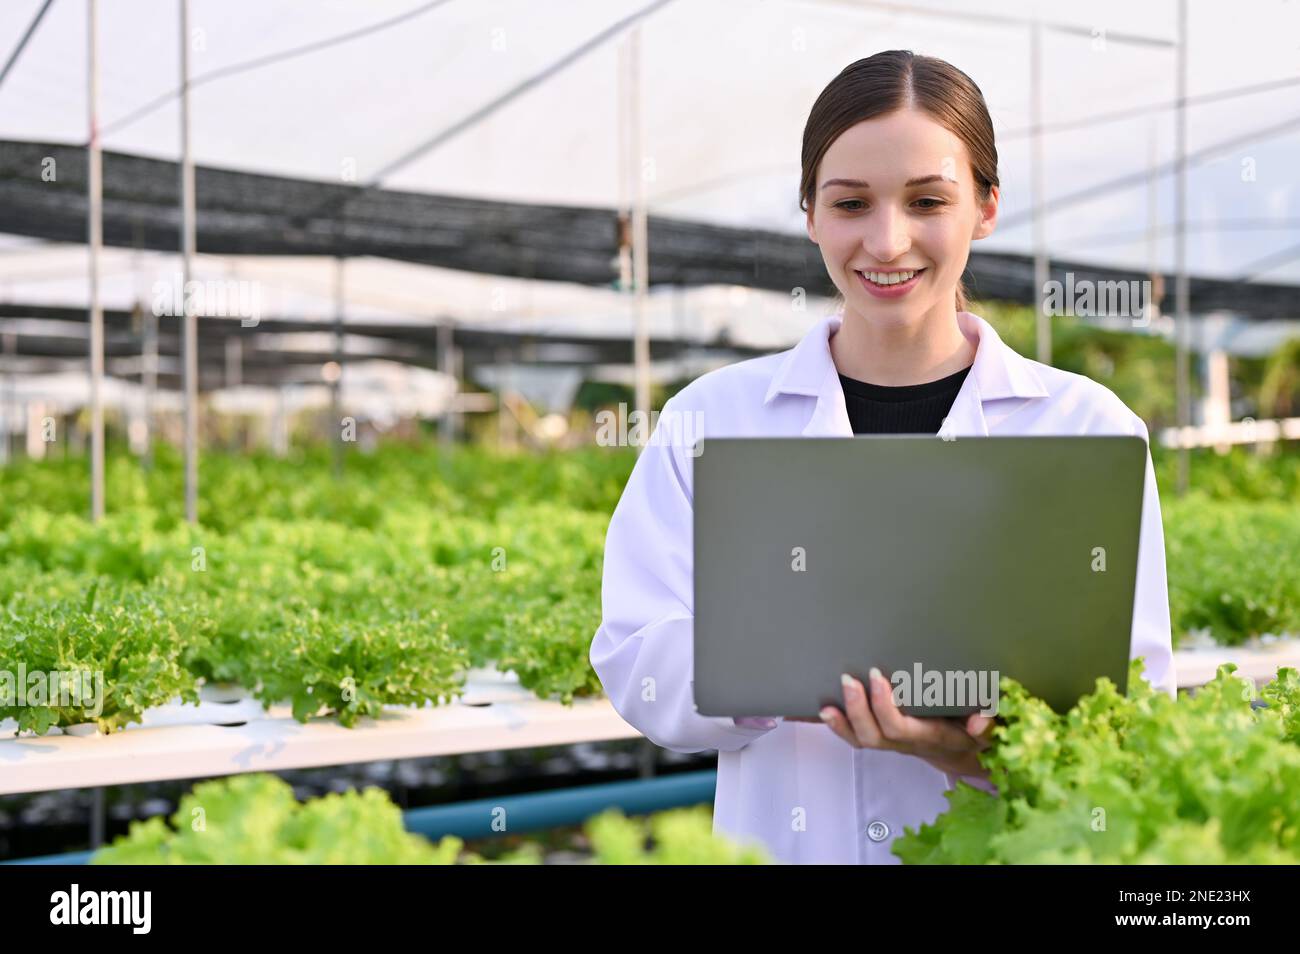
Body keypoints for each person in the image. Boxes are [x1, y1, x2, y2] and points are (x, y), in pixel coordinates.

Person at [589, 50, 1175, 865]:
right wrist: (780, 675)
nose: (886, 240)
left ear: (986, 207)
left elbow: (1129, 712)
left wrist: (959, 750)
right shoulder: (709, 419)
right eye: (851, 203)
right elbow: (634, 659)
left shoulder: (1087, 427)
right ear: (811, 214)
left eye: (928, 200)